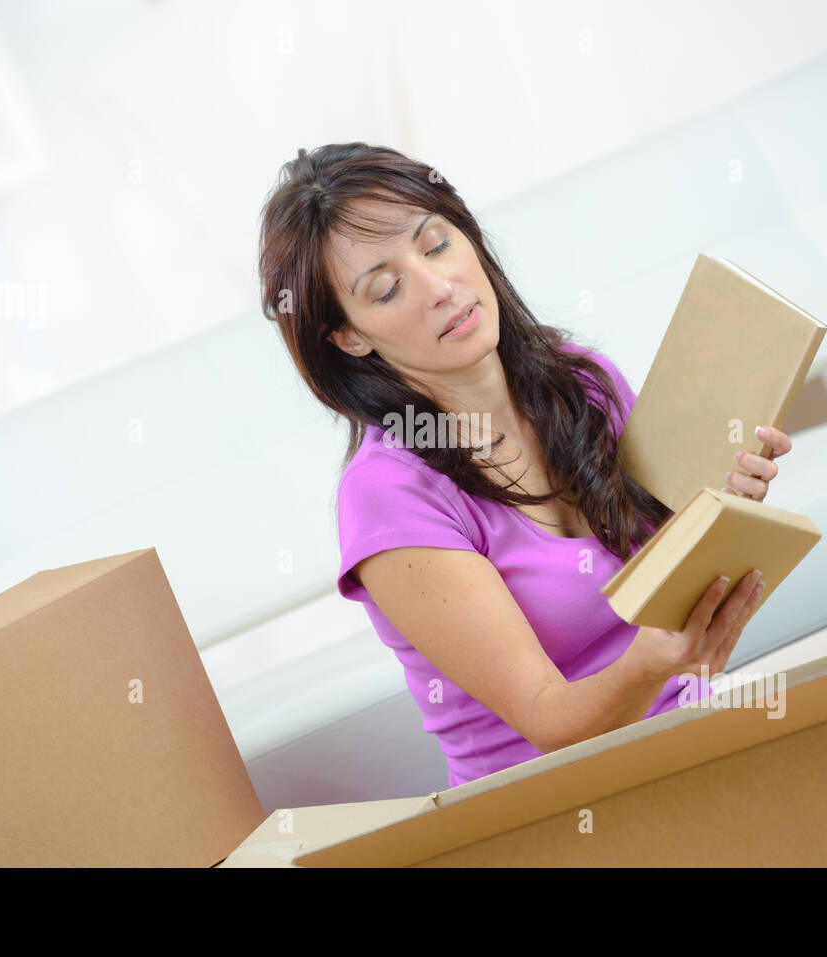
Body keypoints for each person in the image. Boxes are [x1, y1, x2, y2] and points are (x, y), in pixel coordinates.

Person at [257, 142, 792, 789]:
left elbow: (673, 578)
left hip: (688, 752)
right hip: (547, 810)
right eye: (387, 287)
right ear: (348, 336)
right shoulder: (387, 494)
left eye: (435, 245)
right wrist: (654, 664)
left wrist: (728, 508)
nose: (439, 287)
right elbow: (550, 720)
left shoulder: (579, 385)